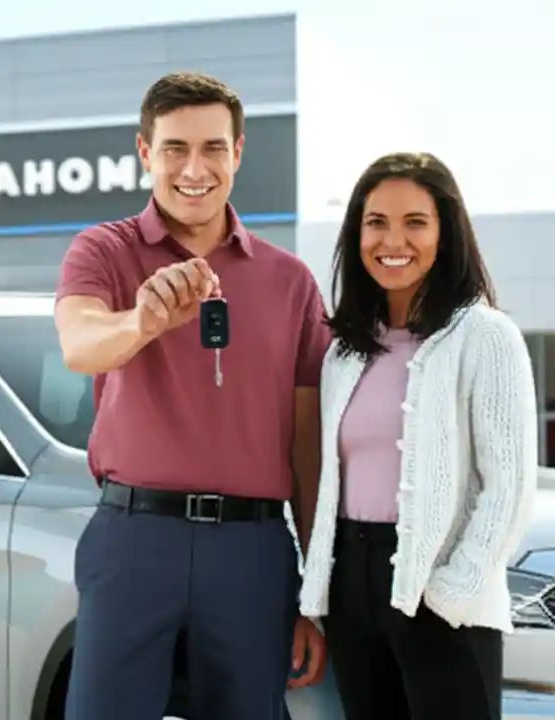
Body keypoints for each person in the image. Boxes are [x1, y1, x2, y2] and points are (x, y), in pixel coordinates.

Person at [54, 70, 329, 720]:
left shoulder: (291, 282)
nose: (194, 168)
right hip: (134, 537)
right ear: (146, 152)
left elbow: (309, 449)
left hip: (253, 550)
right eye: (175, 148)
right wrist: (143, 321)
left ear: (238, 152)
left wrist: (315, 592)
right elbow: (80, 343)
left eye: (212, 148)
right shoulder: (103, 250)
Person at [297, 152, 538, 719]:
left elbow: (509, 487)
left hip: (440, 593)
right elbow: (329, 482)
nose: (392, 240)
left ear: (445, 233)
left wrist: (454, 590)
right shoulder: (344, 352)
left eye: (415, 223)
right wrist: (319, 595)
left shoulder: (486, 338)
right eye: (376, 222)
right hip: (353, 589)